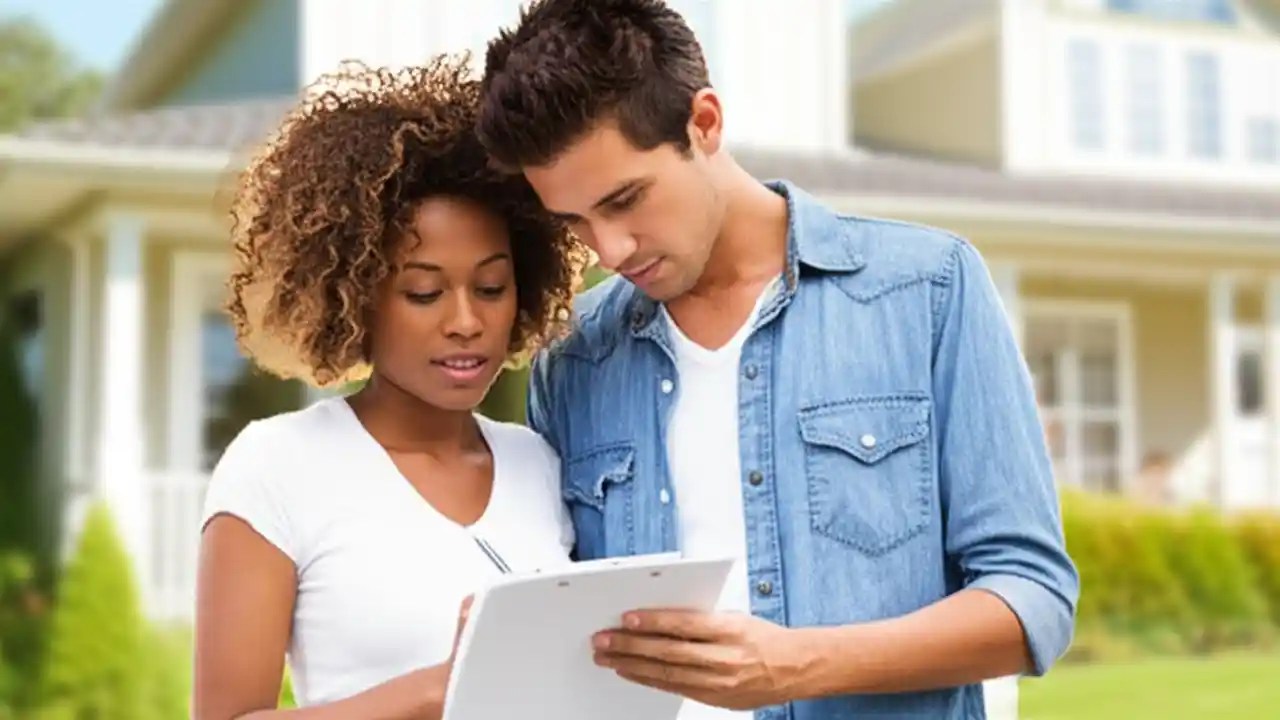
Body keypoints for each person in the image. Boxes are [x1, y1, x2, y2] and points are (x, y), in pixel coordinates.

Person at [475, 1, 1080, 718]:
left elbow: (1032, 597)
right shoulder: (573, 357)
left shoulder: (928, 290)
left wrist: (799, 665)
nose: (610, 250)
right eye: (574, 221)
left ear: (704, 123)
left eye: (626, 199)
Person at [192, 56, 588, 719]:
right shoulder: (277, 467)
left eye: (491, 288)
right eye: (424, 292)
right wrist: (433, 690)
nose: (466, 322)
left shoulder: (539, 464)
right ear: (356, 296)